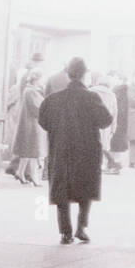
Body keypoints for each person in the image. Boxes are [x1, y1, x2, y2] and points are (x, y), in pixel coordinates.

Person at [38, 57, 113, 244]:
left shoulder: (53, 99)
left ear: (68, 73)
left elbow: (43, 121)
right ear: (84, 74)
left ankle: (65, 232)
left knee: (61, 189)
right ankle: (81, 227)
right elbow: (106, 120)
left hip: (61, 149)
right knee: (85, 188)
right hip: (86, 151)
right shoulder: (92, 98)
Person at [11, 70, 46, 184]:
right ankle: (35, 178)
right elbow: (37, 108)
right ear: (36, 80)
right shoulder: (31, 91)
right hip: (32, 125)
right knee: (33, 151)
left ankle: (20, 172)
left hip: (27, 123)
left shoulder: (28, 90)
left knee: (26, 151)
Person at [91, 72, 119, 174]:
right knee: (104, 145)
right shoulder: (111, 95)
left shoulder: (90, 91)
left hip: (92, 123)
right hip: (106, 124)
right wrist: (113, 128)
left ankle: (95, 165)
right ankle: (104, 165)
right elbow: (114, 113)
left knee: (92, 145)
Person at [108, 72, 129, 172]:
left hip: (118, 121)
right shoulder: (122, 90)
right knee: (116, 144)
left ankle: (115, 165)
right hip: (120, 122)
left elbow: (120, 108)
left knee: (115, 144)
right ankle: (115, 164)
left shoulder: (119, 90)